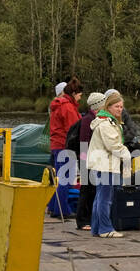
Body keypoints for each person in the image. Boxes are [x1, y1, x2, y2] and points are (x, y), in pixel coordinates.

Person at [87, 89, 131, 238]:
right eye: (116, 106)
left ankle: (96, 227)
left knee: (100, 197)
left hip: (102, 164)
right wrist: (127, 155)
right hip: (105, 165)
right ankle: (105, 229)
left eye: (121, 106)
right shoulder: (106, 124)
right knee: (105, 199)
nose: (119, 109)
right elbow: (114, 145)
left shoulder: (106, 121)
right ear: (108, 107)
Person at [47, 77, 83, 218]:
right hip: (65, 146)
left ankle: (53, 206)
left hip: (57, 144)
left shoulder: (59, 105)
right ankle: (63, 210)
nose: (81, 97)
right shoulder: (68, 107)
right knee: (66, 179)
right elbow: (73, 130)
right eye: (80, 94)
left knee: (60, 178)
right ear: (74, 93)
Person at [75, 91, 105, 229]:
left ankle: (88, 218)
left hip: (93, 159)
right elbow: (84, 141)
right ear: (98, 105)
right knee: (86, 189)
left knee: (92, 189)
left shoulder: (97, 118)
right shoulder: (88, 119)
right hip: (87, 159)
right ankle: (82, 220)